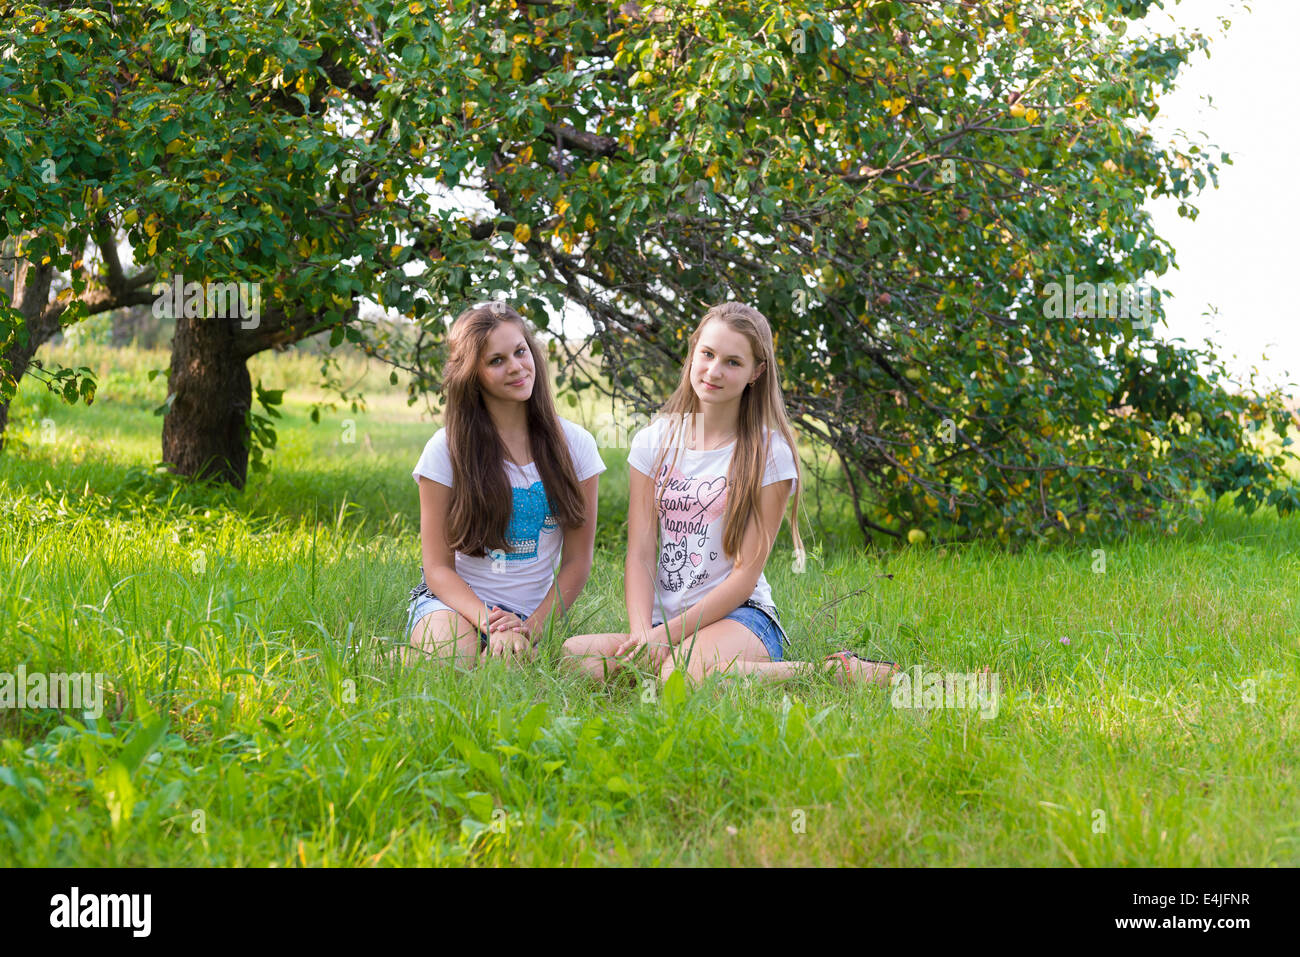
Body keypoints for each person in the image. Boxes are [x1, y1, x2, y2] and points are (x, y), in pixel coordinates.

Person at [562, 302, 898, 686]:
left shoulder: (768, 454)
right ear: (693, 353)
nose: (714, 371)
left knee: (680, 676)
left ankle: (829, 672)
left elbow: (744, 577)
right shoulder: (653, 442)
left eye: (733, 362)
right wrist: (644, 635)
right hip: (664, 623)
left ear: (756, 372)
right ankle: (685, 662)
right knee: (576, 656)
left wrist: (664, 639)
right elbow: (639, 553)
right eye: (707, 354)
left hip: (741, 616)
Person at [402, 301, 606, 667]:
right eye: (496, 361)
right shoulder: (446, 449)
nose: (516, 367)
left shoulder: (577, 446)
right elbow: (437, 568)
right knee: (450, 660)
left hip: (530, 616)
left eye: (520, 352)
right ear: (472, 375)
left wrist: (532, 627)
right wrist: (489, 622)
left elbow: (577, 561)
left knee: (506, 671)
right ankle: (384, 656)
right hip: (456, 606)